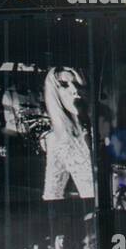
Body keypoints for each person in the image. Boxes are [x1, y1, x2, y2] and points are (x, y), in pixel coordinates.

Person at [42, 68, 95, 201]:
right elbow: (52, 194)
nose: (74, 91)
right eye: (64, 85)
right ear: (55, 92)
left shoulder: (99, 120)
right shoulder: (58, 140)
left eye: (76, 84)